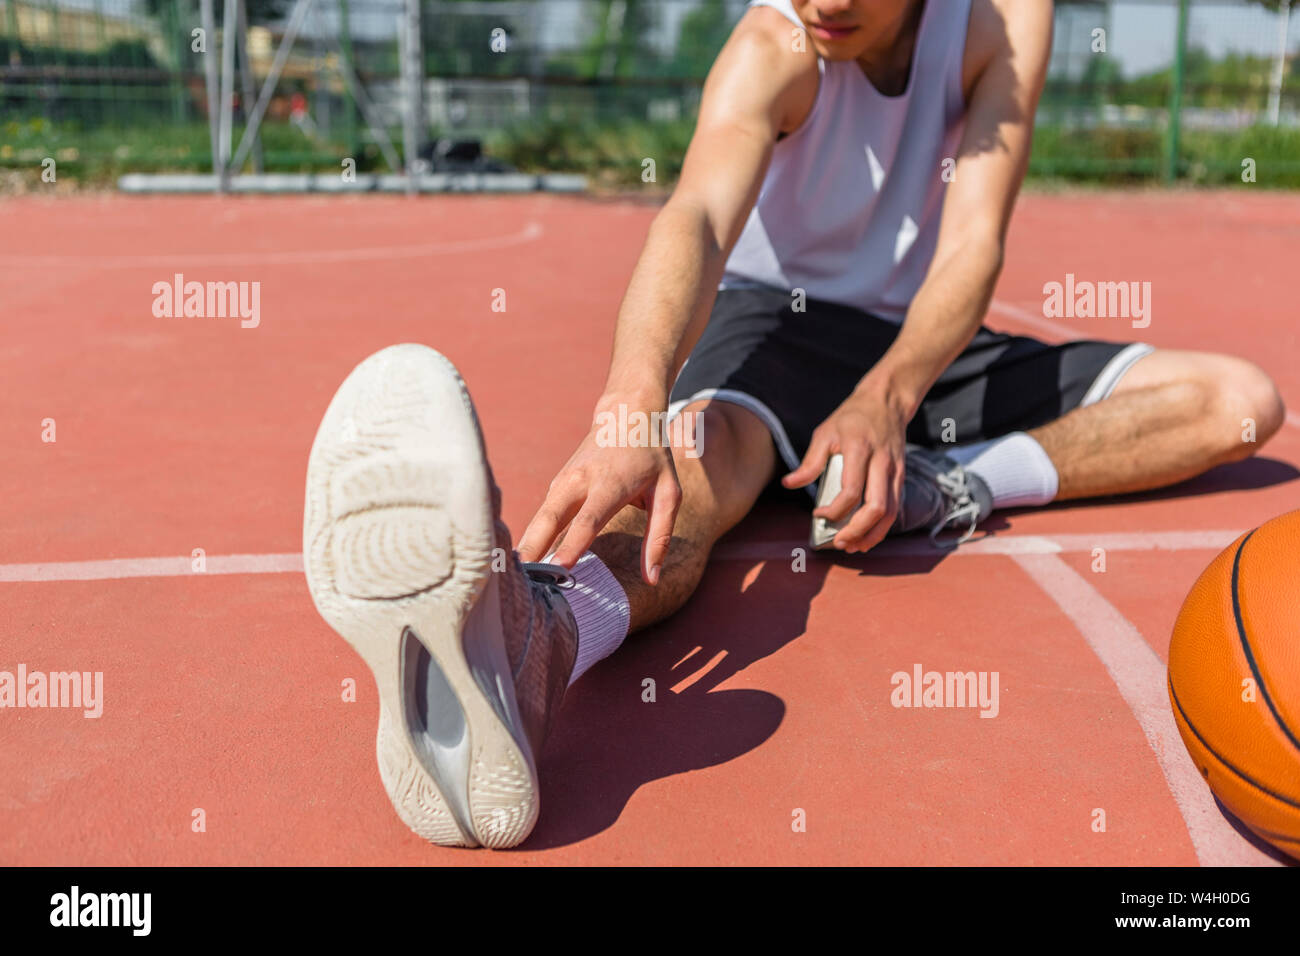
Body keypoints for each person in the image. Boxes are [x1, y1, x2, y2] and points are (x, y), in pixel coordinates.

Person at [303, 0, 1285, 848]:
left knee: (1239, 403)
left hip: (924, 340)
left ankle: (955, 484)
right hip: (778, 317)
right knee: (691, 465)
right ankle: (536, 634)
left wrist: (887, 398)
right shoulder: (771, 45)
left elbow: (972, 241)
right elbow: (692, 218)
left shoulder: (1003, 21)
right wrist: (632, 399)